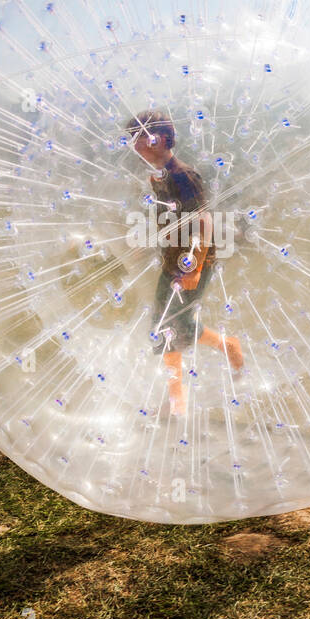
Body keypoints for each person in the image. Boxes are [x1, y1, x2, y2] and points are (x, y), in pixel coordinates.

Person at [127, 109, 243, 416]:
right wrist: (151, 243)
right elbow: (172, 218)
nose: (135, 145)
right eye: (132, 139)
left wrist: (196, 266)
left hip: (193, 261)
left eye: (139, 137)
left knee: (170, 325)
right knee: (167, 325)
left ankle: (178, 400)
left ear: (161, 139)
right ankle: (220, 351)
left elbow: (203, 222)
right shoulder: (159, 176)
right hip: (173, 260)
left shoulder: (183, 175)